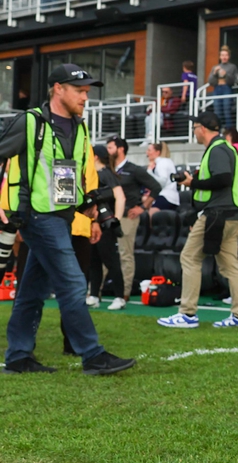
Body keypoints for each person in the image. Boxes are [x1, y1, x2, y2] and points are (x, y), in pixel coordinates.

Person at [0, 64, 135, 375]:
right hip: (37, 216)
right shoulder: (31, 121)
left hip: (62, 215)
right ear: (58, 89)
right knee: (73, 283)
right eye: (79, 91)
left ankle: (18, 356)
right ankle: (92, 355)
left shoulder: (79, 126)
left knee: (32, 290)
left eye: (87, 91)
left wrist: (86, 206)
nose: (85, 97)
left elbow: (67, 173)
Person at [157, 111, 238, 329]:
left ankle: (187, 313)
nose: (194, 132)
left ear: (203, 129)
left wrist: (193, 183)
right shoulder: (224, 147)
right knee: (230, 265)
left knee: (189, 257)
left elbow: (223, 178)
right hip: (231, 214)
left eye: (195, 128)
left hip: (218, 215)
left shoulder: (217, 149)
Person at [108, 137, 162, 306]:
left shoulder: (134, 170)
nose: (108, 151)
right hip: (108, 216)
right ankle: (94, 291)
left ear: (120, 149)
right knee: (104, 253)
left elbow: (156, 187)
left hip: (127, 216)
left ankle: (124, 292)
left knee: (125, 253)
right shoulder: (107, 169)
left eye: (110, 147)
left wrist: (143, 207)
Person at [85, 144, 127, 310]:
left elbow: (120, 197)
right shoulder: (93, 174)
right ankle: (94, 295)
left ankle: (119, 297)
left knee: (111, 261)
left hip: (105, 223)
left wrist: (115, 220)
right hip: (93, 222)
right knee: (94, 260)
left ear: (95, 157)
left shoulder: (106, 174)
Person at [206, 46, 238, 132]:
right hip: (217, 88)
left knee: (227, 110)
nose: (224, 57)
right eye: (222, 55)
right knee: (217, 111)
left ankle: (229, 130)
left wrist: (226, 75)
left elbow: (235, 80)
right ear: (219, 57)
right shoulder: (215, 67)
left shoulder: (232, 67)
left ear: (229, 56)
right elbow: (210, 81)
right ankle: (218, 130)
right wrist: (214, 73)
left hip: (227, 88)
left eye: (226, 55)